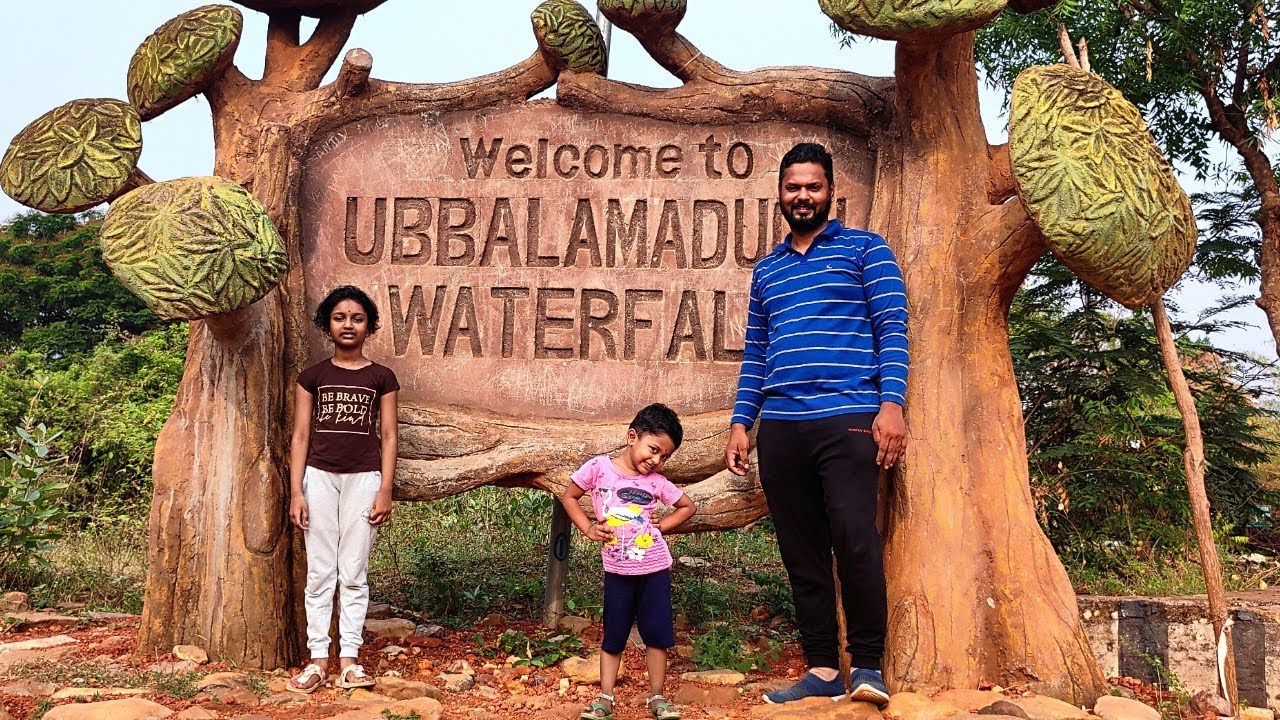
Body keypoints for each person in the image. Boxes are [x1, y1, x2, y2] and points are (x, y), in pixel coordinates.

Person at [724, 142, 908, 705]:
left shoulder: (866, 251)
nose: (802, 196)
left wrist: (892, 405)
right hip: (780, 427)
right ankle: (823, 669)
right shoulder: (768, 271)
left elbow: (893, 331)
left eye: (813, 187)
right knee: (801, 552)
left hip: (848, 418)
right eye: (792, 187)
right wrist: (741, 422)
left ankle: (869, 666)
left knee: (855, 541)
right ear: (780, 194)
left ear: (831, 192)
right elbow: (757, 352)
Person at [286, 285, 399, 694]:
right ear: (327, 325)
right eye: (339, 317)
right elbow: (300, 435)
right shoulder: (312, 377)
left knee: (353, 572)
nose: (348, 324)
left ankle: (349, 659)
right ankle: (318, 660)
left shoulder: (381, 377)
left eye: (357, 318)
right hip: (319, 478)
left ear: (368, 326)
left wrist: (385, 488)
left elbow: (388, 436)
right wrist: (297, 491)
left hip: (364, 479)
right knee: (320, 572)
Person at [560, 403, 697, 720]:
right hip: (617, 570)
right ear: (632, 436)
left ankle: (657, 698)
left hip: (655, 570)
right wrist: (589, 527)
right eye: (653, 449)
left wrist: (661, 526)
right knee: (614, 635)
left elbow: (686, 506)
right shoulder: (598, 469)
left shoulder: (656, 483)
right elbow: (569, 496)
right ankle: (605, 699)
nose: (657, 460)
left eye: (665, 456)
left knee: (656, 634)